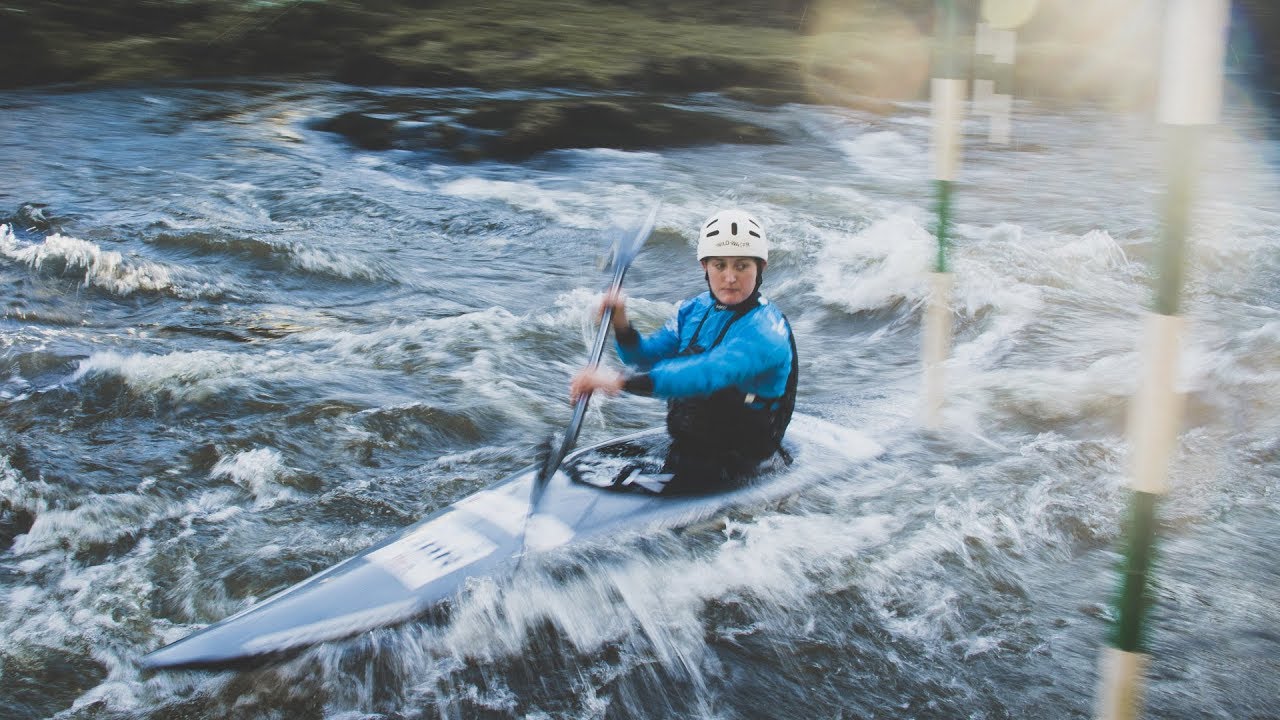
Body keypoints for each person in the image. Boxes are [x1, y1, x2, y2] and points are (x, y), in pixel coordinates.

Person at [569, 209, 798, 494]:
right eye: (719, 265)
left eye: (741, 266)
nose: (729, 277)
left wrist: (619, 381)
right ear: (704, 266)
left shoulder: (765, 331)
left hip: (740, 462)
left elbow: (706, 374)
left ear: (760, 267)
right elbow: (643, 358)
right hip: (694, 447)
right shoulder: (695, 309)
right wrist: (621, 324)